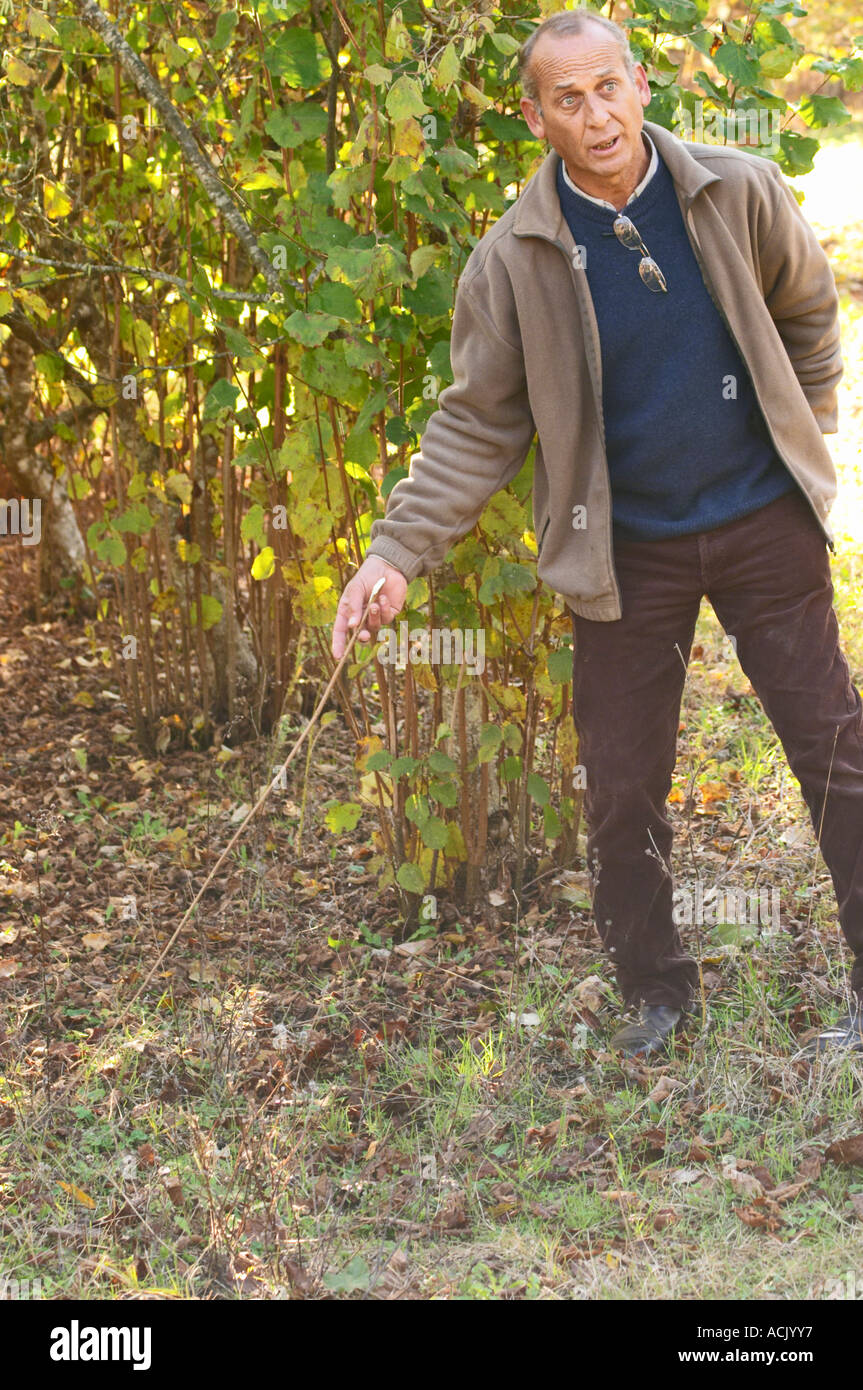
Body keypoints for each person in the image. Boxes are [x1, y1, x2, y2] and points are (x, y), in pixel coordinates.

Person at [331, 8, 863, 1061]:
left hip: (762, 526)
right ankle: (655, 991)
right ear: (536, 117)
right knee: (618, 789)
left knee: (836, 754)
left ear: (638, 89)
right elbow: (476, 422)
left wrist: (804, 446)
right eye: (566, 99)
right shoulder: (515, 256)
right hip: (625, 553)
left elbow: (806, 318)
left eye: (607, 87)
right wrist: (395, 554)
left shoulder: (736, 189)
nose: (595, 114)